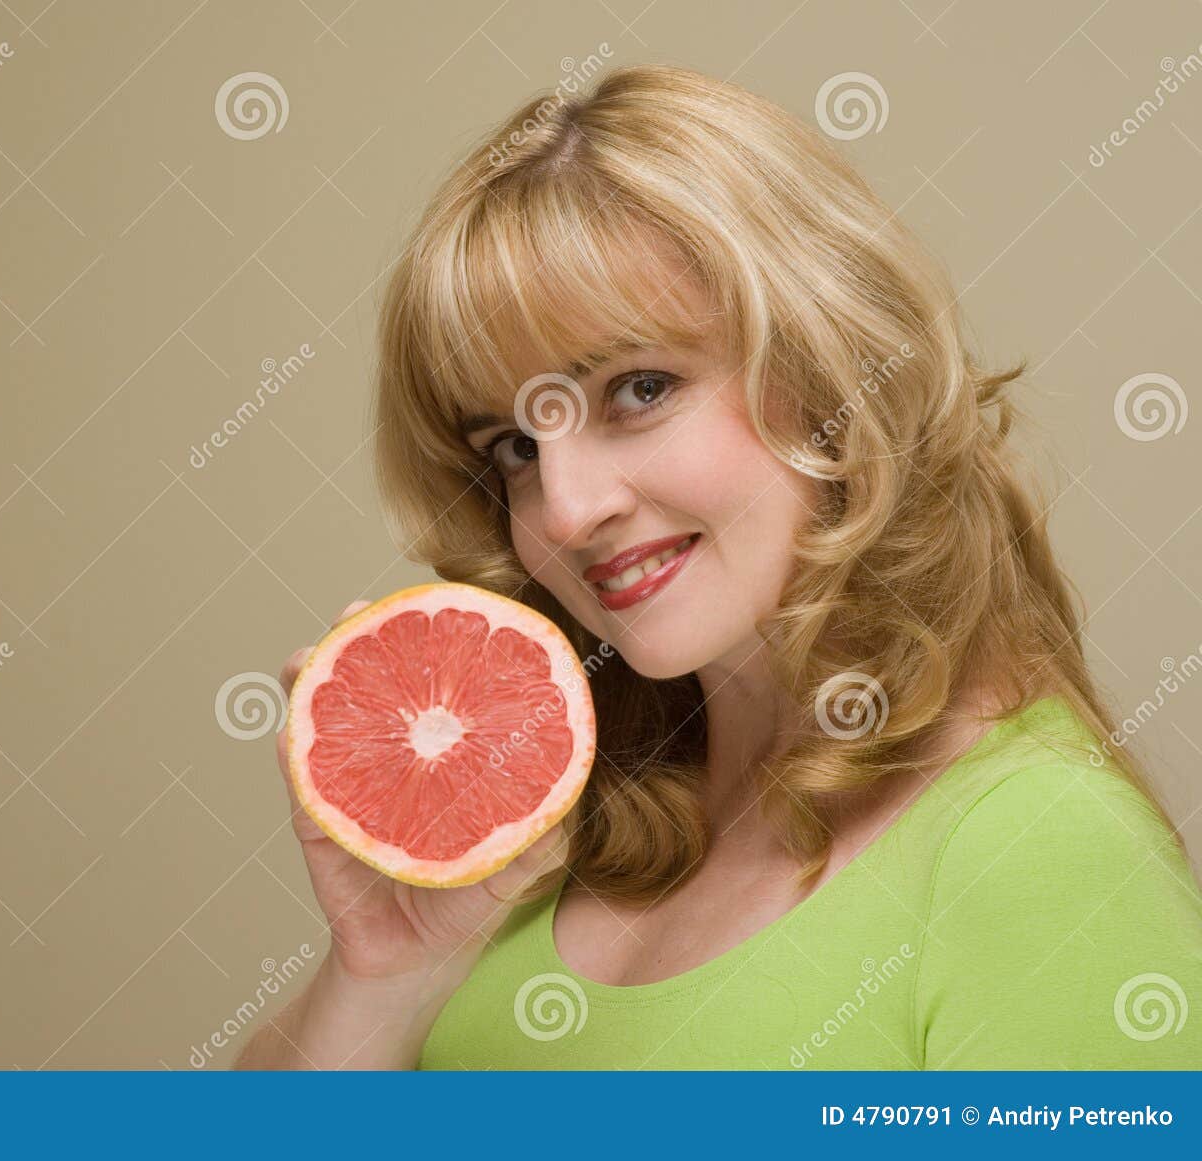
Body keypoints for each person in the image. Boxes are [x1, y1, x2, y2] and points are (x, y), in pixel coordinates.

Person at [234, 64, 1202, 1069]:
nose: (567, 510)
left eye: (637, 389)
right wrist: (383, 985)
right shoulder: (542, 847)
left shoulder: (1036, 853)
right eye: (514, 447)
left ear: (825, 366)